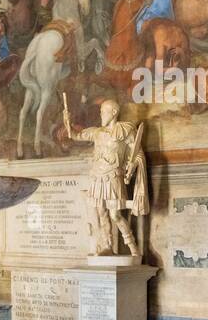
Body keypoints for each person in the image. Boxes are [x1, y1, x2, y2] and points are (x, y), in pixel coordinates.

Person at [62, 99, 148, 259]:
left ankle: (133, 248)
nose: (101, 114)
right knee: (101, 212)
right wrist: (67, 121)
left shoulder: (126, 130)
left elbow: (138, 154)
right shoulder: (97, 132)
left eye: (103, 111)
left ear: (114, 112)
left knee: (115, 214)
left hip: (113, 175)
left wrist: (132, 167)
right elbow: (74, 135)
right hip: (97, 176)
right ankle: (107, 246)